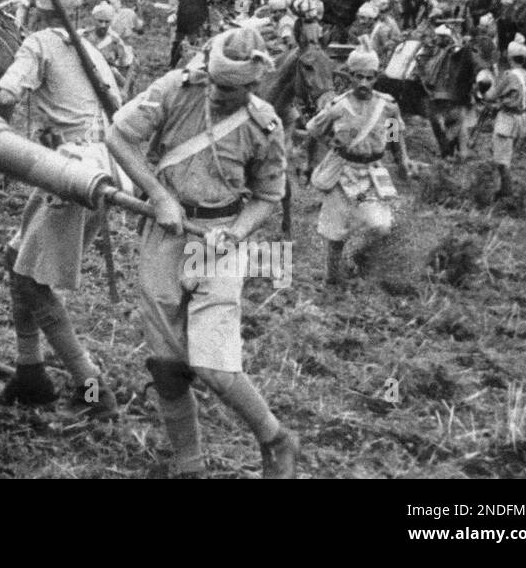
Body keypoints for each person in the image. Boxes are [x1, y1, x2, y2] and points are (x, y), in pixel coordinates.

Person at [105, 27, 299, 478]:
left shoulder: (264, 125)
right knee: (167, 364)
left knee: (213, 364)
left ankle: (278, 439)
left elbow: (269, 196)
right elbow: (118, 135)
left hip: (218, 243)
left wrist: (233, 235)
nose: (214, 92)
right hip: (165, 234)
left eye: (228, 89)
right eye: (212, 81)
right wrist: (158, 195)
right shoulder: (176, 88)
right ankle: (188, 466)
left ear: (252, 86)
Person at [0, 0, 122, 420]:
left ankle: (93, 390)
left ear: (35, 10)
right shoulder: (91, 50)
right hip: (100, 167)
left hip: (72, 173)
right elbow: (116, 111)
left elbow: (5, 97)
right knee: (16, 257)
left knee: (32, 280)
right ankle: (31, 374)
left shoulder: (39, 42)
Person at [305, 40, 414, 285]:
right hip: (341, 171)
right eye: (358, 77)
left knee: (381, 225)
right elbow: (313, 131)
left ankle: (355, 255)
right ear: (349, 76)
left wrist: (403, 161)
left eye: (369, 77)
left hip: (373, 173)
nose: (364, 83)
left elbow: (395, 139)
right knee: (335, 232)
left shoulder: (387, 106)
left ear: (376, 77)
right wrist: (312, 161)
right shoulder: (337, 108)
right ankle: (332, 280)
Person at [485, 36, 526, 201]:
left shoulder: (508, 75)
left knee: (501, 160)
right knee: (507, 155)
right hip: (524, 119)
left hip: (508, 120)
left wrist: (483, 91)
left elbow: (491, 96)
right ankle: (503, 189)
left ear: (509, 56)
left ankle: (506, 193)